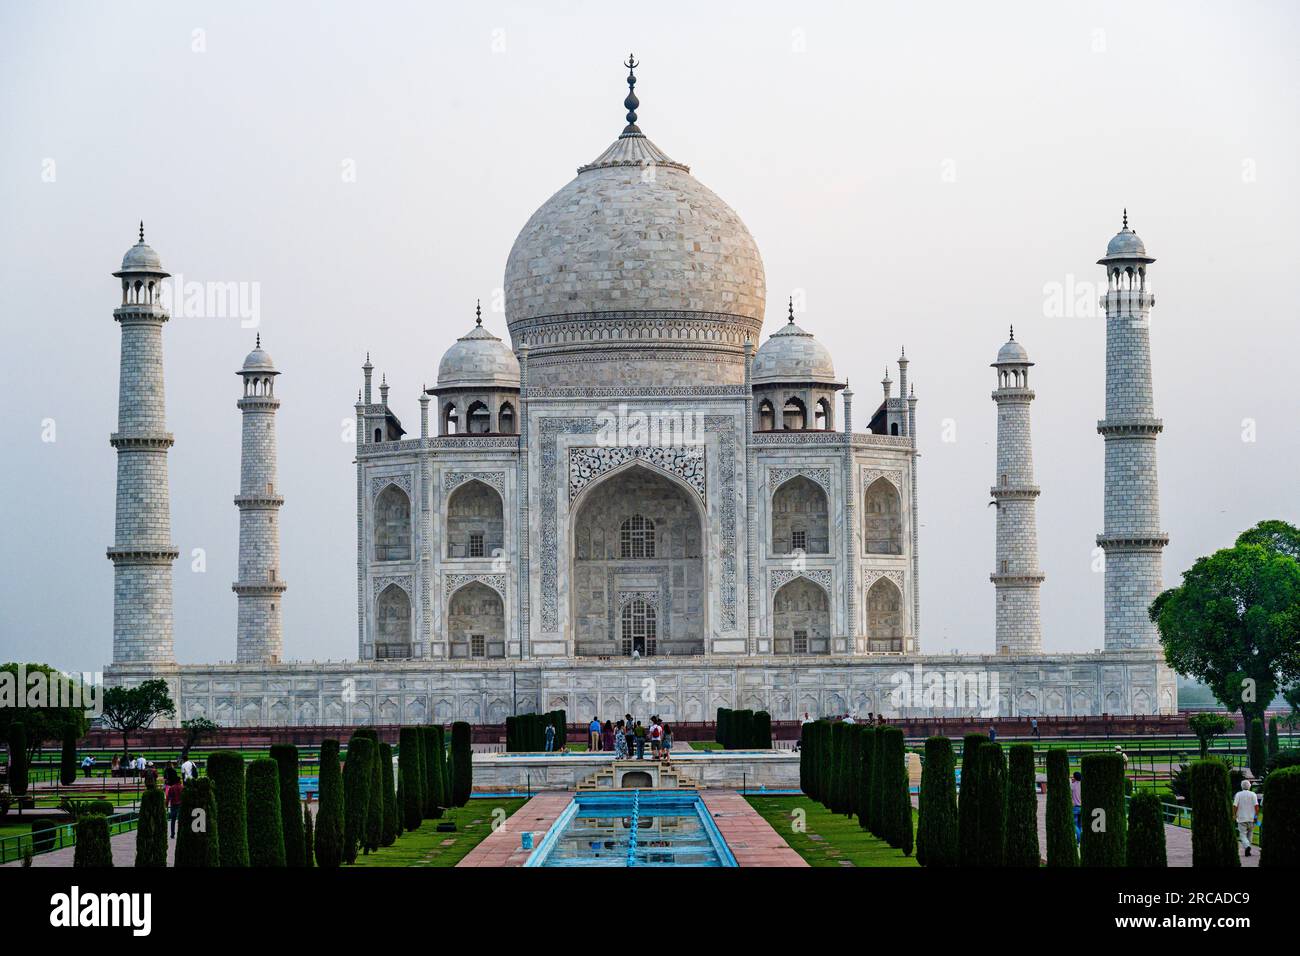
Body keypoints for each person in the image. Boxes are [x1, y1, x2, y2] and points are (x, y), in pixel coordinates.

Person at [1234, 779, 1260, 856]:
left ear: (1241, 786)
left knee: (1242, 835)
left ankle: (1247, 846)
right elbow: (1256, 806)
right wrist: (1256, 816)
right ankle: (1248, 848)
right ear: (1249, 786)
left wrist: (1234, 815)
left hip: (1241, 818)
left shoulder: (1238, 794)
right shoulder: (1253, 794)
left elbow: (1235, 806)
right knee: (1250, 834)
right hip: (1251, 818)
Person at [164, 775, 184, 839]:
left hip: (173, 804)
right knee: (181, 820)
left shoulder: (172, 788)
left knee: (173, 820)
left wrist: (166, 805)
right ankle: (181, 833)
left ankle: (172, 834)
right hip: (181, 805)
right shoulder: (182, 787)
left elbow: (168, 797)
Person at [1071, 771, 1083, 842]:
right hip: (1082, 807)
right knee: (1080, 825)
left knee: (1074, 824)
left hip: (1075, 807)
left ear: (1075, 777)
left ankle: (1079, 840)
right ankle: (1080, 839)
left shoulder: (1072, 786)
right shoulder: (1083, 785)